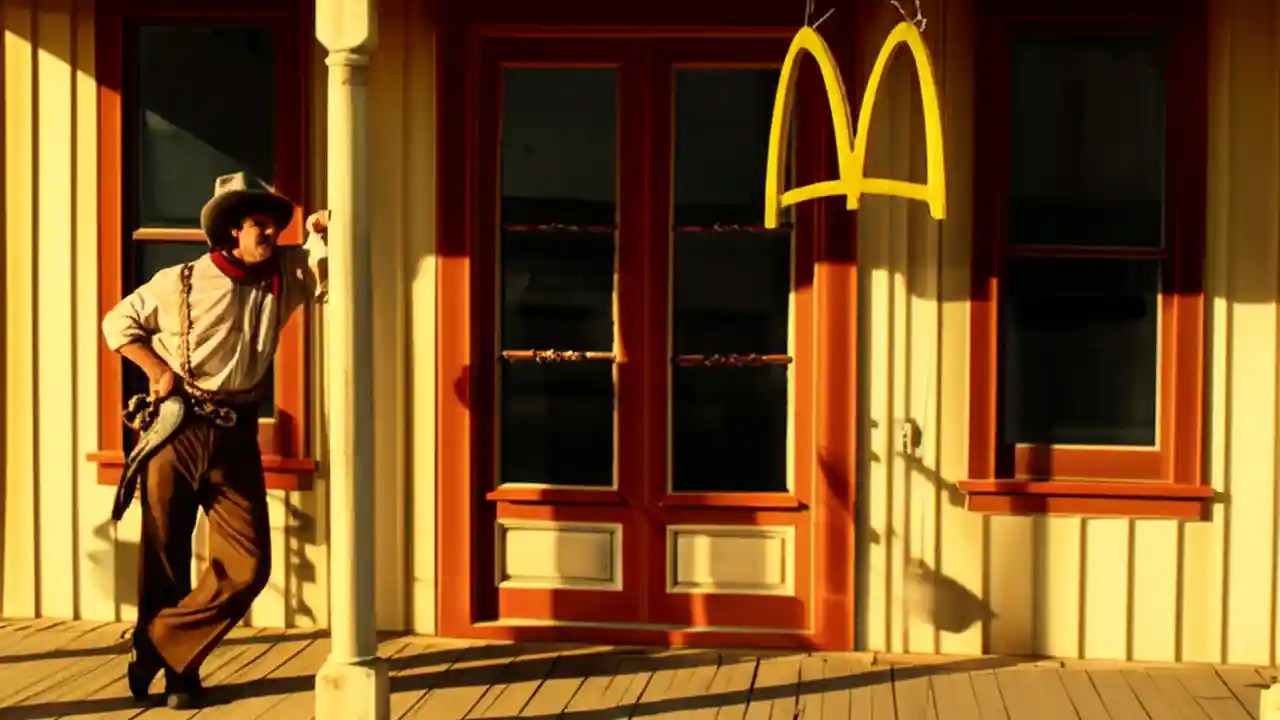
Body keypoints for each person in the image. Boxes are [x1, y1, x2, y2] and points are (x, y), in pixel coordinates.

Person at [101, 172, 329, 709]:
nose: (271, 233)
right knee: (164, 556)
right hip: (177, 428)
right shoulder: (178, 279)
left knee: (248, 566)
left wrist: (324, 228)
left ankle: (155, 640)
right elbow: (118, 324)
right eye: (259, 226)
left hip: (236, 434)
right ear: (231, 232)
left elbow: (329, 265)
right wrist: (156, 369)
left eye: (274, 225)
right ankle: (183, 677)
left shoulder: (287, 273)